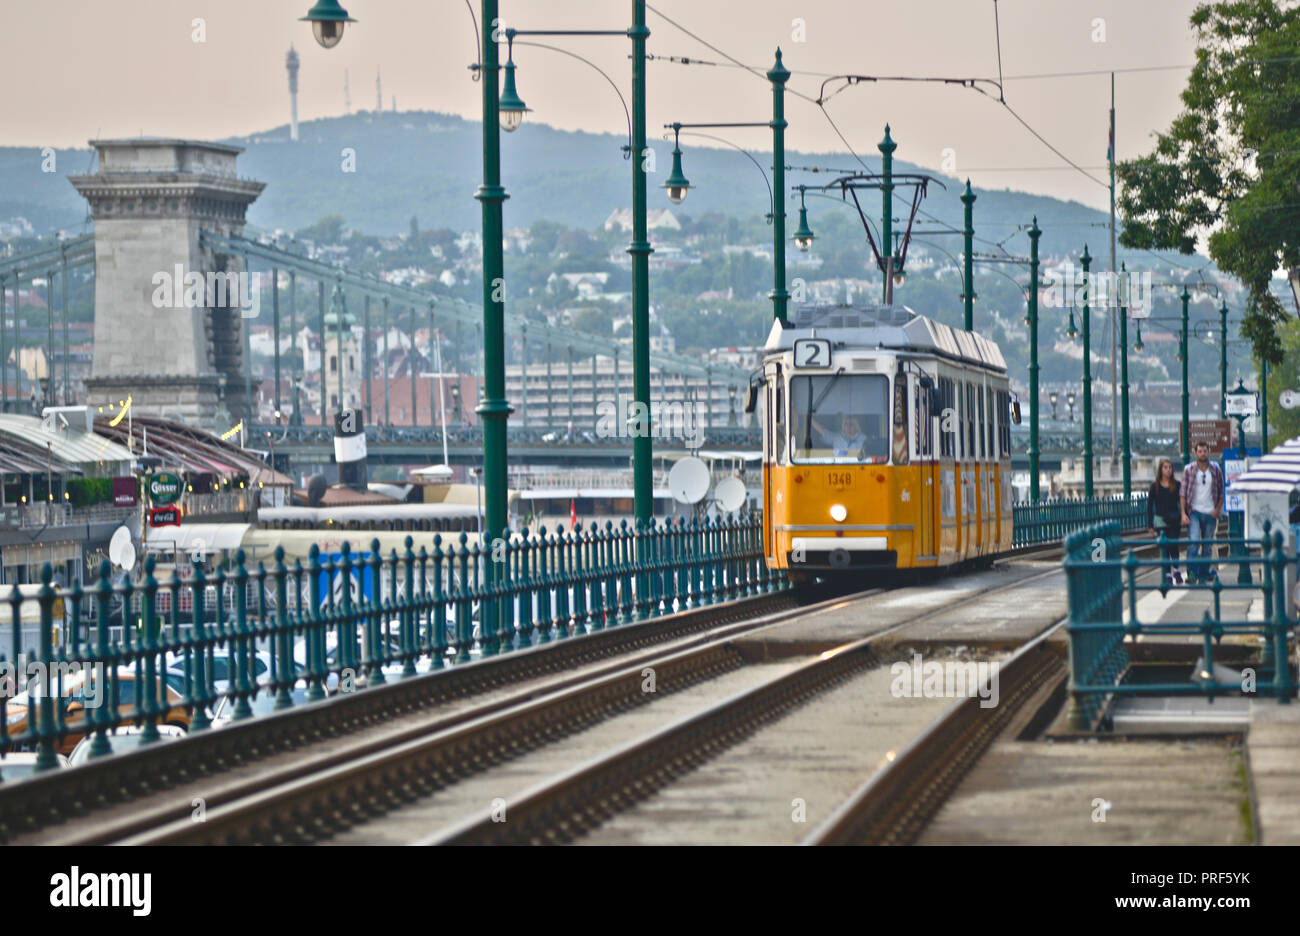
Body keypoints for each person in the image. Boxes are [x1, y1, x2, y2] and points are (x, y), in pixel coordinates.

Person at [1180, 441, 1224, 584]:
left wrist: (1217, 510)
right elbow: (1183, 493)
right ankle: (1192, 575)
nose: (1202, 454)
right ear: (1195, 453)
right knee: (1193, 542)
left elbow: (1222, 491)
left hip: (1210, 512)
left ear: (1209, 452)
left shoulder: (1216, 469)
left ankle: (1204, 574)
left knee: (1207, 545)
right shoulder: (1189, 469)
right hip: (1194, 511)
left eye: (1205, 451)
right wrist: (1183, 513)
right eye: (1200, 451)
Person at [1146, 458, 1183, 585]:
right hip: (1160, 520)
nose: (1168, 470)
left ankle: (1177, 570)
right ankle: (1168, 574)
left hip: (1174, 519)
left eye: (1170, 467)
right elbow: (1150, 506)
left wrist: (1184, 515)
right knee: (1165, 547)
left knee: (1174, 545)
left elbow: (1182, 502)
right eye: (1165, 467)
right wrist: (1150, 524)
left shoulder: (1177, 485)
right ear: (1160, 470)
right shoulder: (1154, 486)